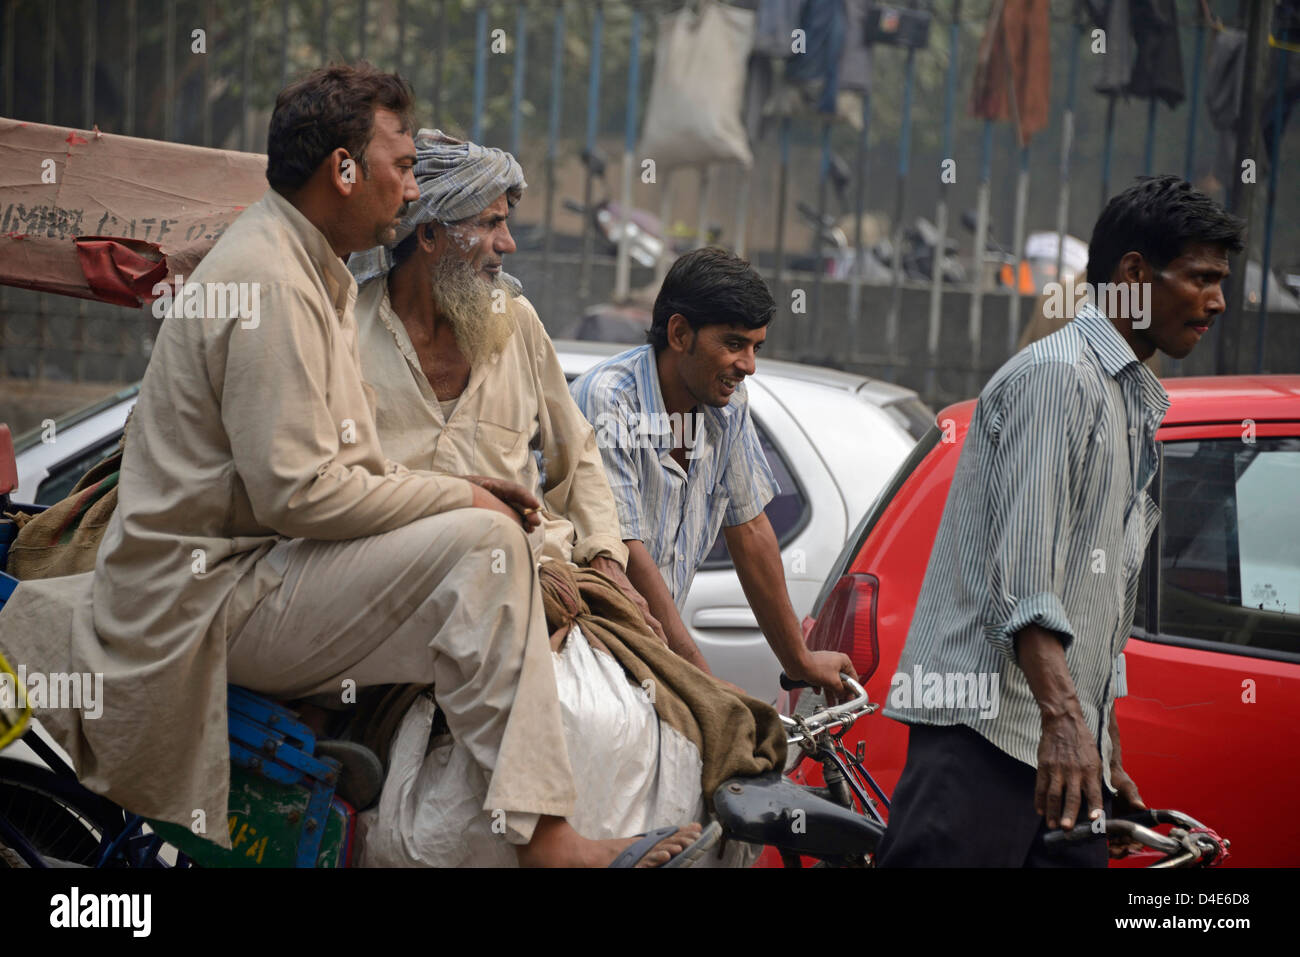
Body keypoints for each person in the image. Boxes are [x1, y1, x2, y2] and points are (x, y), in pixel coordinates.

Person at [0, 63, 701, 868]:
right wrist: (466, 495)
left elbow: (360, 470)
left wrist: (545, 537)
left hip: (263, 570)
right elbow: (300, 491)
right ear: (343, 170)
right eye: (400, 167)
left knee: (489, 544)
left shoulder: (310, 271)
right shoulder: (272, 280)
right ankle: (549, 842)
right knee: (485, 548)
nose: (407, 191)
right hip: (208, 591)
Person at [344, 130, 778, 866]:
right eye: (488, 222)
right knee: (569, 720)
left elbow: (578, 465)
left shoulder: (515, 327)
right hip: (409, 592)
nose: (507, 243)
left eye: (506, 221)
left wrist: (604, 557)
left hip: (549, 584)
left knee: (670, 720)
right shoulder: (344, 335)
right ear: (427, 234)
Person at [876, 175, 1245, 867]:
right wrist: (1070, 724)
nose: (1218, 301)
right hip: (986, 740)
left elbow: (1096, 596)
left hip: (1056, 751)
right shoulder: (1058, 378)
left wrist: (1103, 748)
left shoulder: (1128, 397)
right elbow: (1024, 581)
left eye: (1221, 280)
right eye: (1201, 277)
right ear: (1135, 274)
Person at [570, 248, 856, 700]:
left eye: (755, 347)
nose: (748, 366)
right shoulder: (608, 400)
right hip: (579, 658)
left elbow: (751, 529)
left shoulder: (728, 408)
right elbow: (627, 551)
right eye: (733, 344)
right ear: (680, 333)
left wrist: (798, 660)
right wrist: (702, 681)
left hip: (648, 663)